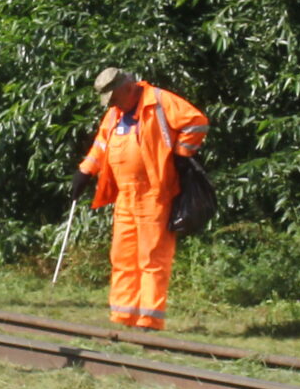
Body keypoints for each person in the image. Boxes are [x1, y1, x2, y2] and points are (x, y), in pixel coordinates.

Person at [71, 67, 208, 331]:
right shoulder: (115, 113)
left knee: (152, 258)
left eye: (113, 98)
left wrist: (181, 153)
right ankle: (122, 317)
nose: (111, 105)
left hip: (155, 194)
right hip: (125, 196)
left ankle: (149, 320)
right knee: (122, 257)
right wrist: (85, 171)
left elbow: (197, 121)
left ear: (126, 88)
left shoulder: (159, 101)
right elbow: (101, 145)